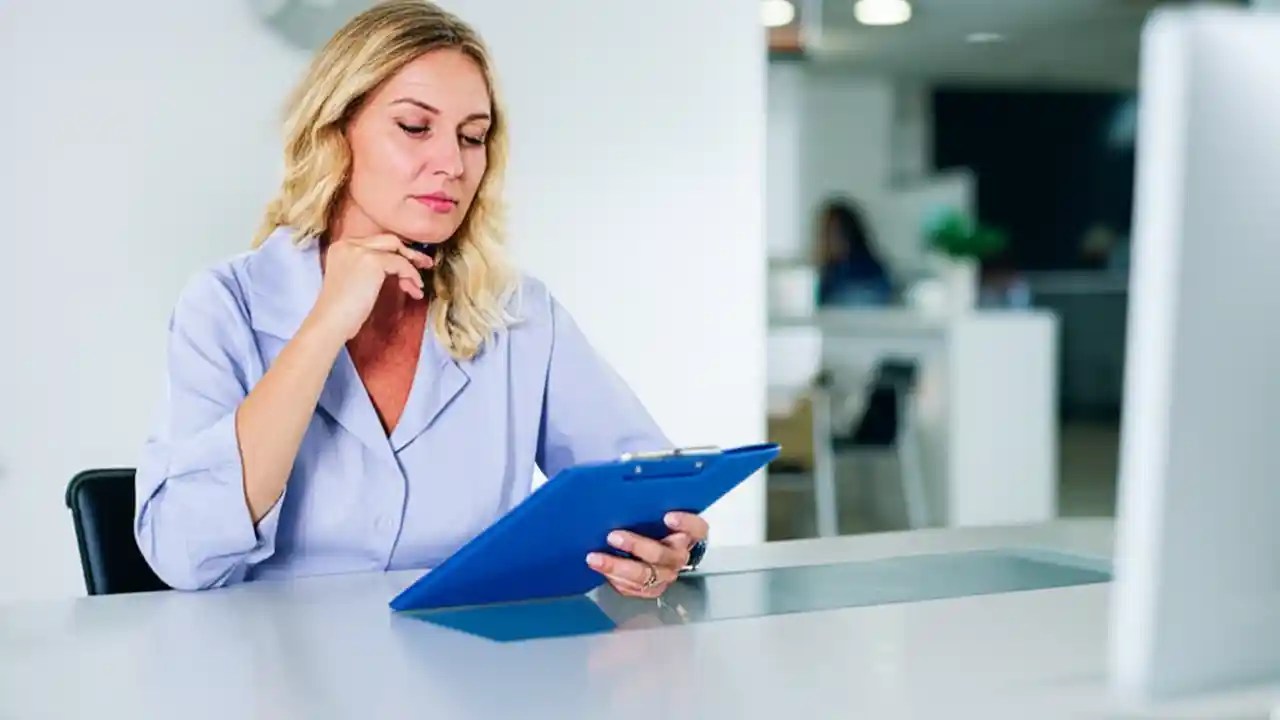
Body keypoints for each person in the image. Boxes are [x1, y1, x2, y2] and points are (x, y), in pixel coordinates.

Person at [134, 0, 708, 595]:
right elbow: (184, 554)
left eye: (472, 137)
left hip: (464, 650)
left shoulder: (517, 313)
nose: (452, 163)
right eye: (414, 128)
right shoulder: (228, 305)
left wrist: (670, 543)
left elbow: (649, 489)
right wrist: (324, 326)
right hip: (269, 653)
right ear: (336, 132)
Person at [814, 198, 893, 306]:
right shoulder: (831, 273)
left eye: (831, 233)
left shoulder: (868, 271)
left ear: (847, 234)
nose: (825, 241)